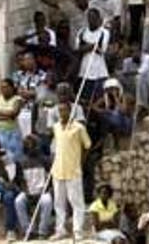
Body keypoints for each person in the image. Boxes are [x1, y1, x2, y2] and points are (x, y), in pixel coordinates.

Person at [51, 99, 91, 241]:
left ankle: (77, 230)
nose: (62, 113)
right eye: (60, 110)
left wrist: (80, 162)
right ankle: (60, 229)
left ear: (71, 111)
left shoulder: (79, 127)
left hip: (73, 170)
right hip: (57, 170)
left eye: (65, 110)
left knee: (76, 202)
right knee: (59, 203)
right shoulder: (55, 127)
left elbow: (87, 146)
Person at [15, 140, 54, 239]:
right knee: (18, 201)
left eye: (34, 146)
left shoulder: (45, 160)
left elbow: (51, 179)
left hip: (43, 192)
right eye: (29, 147)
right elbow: (20, 180)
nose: (32, 149)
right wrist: (26, 191)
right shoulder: (20, 162)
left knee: (47, 201)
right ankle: (28, 230)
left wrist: (48, 190)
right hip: (28, 192)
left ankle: (42, 231)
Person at [76, 7, 111, 101]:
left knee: (100, 99)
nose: (92, 20)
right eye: (90, 17)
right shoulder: (82, 32)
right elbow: (78, 49)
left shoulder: (104, 33)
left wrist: (90, 47)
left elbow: (103, 50)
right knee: (85, 100)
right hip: (84, 72)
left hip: (100, 72)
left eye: (94, 18)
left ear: (99, 18)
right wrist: (91, 46)